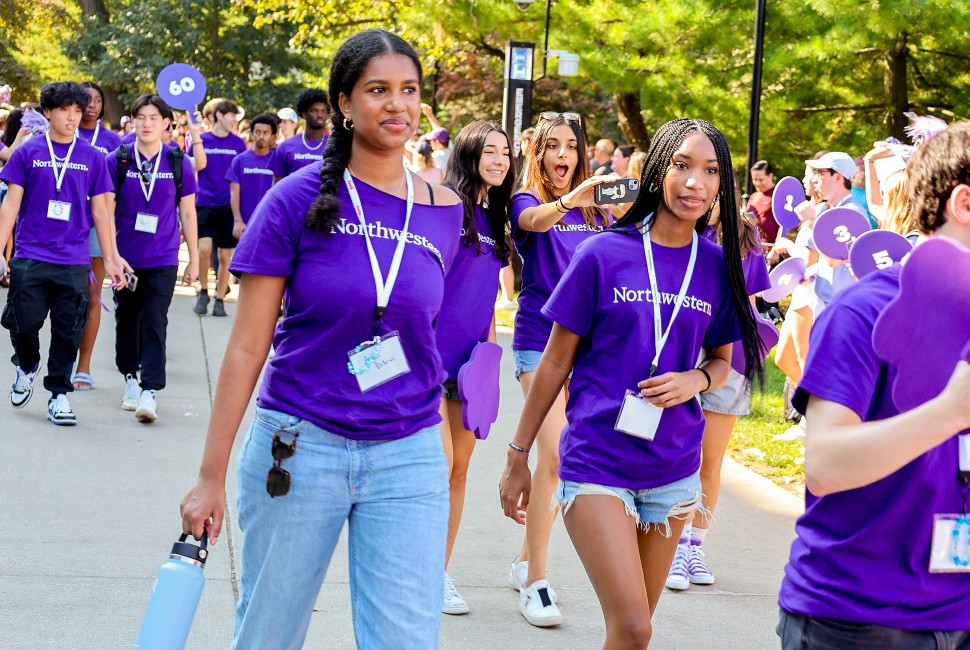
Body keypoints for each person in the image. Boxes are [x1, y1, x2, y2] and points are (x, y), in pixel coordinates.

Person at [179, 29, 464, 649]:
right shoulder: (294, 200)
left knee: (406, 640)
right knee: (269, 634)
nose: (397, 105)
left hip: (407, 455)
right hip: (300, 448)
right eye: (377, 90)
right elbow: (248, 347)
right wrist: (210, 475)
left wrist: (439, 438)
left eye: (409, 90)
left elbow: (430, 335)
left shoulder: (445, 209)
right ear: (343, 103)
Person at [500, 118, 762, 648]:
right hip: (598, 461)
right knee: (634, 625)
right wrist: (517, 455)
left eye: (711, 171)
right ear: (657, 170)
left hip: (673, 470)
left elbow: (722, 361)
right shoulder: (602, 253)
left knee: (633, 635)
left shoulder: (715, 266)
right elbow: (553, 364)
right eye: (683, 166)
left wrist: (695, 379)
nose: (696, 183)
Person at [776, 122, 970, 649]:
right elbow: (826, 463)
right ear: (964, 203)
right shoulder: (864, 309)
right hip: (858, 619)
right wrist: (951, 411)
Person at [505, 112, 613, 627]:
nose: (564, 155)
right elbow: (535, 222)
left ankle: (527, 558)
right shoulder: (528, 201)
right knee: (554, 454)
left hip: (588, 350)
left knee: (559, 459)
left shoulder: (601, 217)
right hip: (536, 342)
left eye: (572, 145)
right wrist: (575, 199)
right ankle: (537, 583)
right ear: (539, 153)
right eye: (553, 146)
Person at [0, 81, 125, 426]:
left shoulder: (93, 157)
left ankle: (59, 394)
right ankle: (26, 364)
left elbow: (102, 212)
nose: (73, 117)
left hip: (73, 258)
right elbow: (10, 205)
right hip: (30, 253)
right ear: (48, 113)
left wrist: (112, 259)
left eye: (77, 110)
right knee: (23, 322)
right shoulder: (28, 152)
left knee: (68, 329)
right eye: (65, 110)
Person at [665, 184, 771, 591]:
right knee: (680, 454)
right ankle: (671, 544)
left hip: (730, 359)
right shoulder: (677, 227)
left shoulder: (746, 233)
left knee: (710, 462)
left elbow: (750, 300)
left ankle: (694, 547)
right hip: (681, 352)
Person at [436, 120, 514, 615]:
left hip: (470, 365)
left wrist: (486, 359)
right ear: (467, 154)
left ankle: (437, 573)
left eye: (506, 152)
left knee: (459, 473)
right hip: (426, 360)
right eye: (490, 150)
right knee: (437, 468)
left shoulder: (496, 218)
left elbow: (485, 297)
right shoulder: (444, 208)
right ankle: (418, 568)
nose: (501, 159)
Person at [106, 94, 200, 422]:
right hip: (126, 259)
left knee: (156, 320)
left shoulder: (179, 162)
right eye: (140, 118)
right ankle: (130, 378)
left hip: (163, 256)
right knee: (128, 320)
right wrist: (112, 257)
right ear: (132, 122)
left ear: (166, 124)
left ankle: (150, 390)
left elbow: (187, 212)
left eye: (153, 118)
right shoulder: (117, 160)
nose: (146, 124)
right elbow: (106, 211)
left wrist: (195, 261)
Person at [72, 81, 126, 391]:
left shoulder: (110, 140)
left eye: (97, 100)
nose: (92, 105)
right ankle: (59, 360)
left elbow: (116, 187)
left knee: (92, 297)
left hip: (96, 225)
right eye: (86, 100)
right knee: (65, 296)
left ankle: (84, 366)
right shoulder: (64, 132)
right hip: (63, 225)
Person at [193, 99, 246, 317]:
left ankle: (220, 298)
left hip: (227, 206)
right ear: (218, 115)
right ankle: (203, 291)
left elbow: (240, 178)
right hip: (204, 203)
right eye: (231, 115)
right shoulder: (201, 140)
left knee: (225, 257)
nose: (234, 120)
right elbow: (193, 167)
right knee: (204, 249)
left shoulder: (238, 144)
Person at [227, 112, 278, 241]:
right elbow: (234, 194)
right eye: (258, 132)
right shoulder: (239, 160)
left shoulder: (279, 160)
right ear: (252, 134)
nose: (261, 136)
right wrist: (237, 221)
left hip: (271, 224)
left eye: (266, 133)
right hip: (245, 226)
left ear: (273, 136)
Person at [270, 89, 329, 180]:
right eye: (315, 111)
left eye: (323, 111)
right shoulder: (285, 147)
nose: (320, 115)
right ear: (304, 114)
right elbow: (277, 187)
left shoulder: (335, 146)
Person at [746, 159, 778, 243]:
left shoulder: (778, 195)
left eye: (761, 180)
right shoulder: (754, 196)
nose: (757, 183)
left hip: (770, 247)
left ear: (770, 176)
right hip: (752, 245)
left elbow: (786, 224)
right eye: (755, 180)